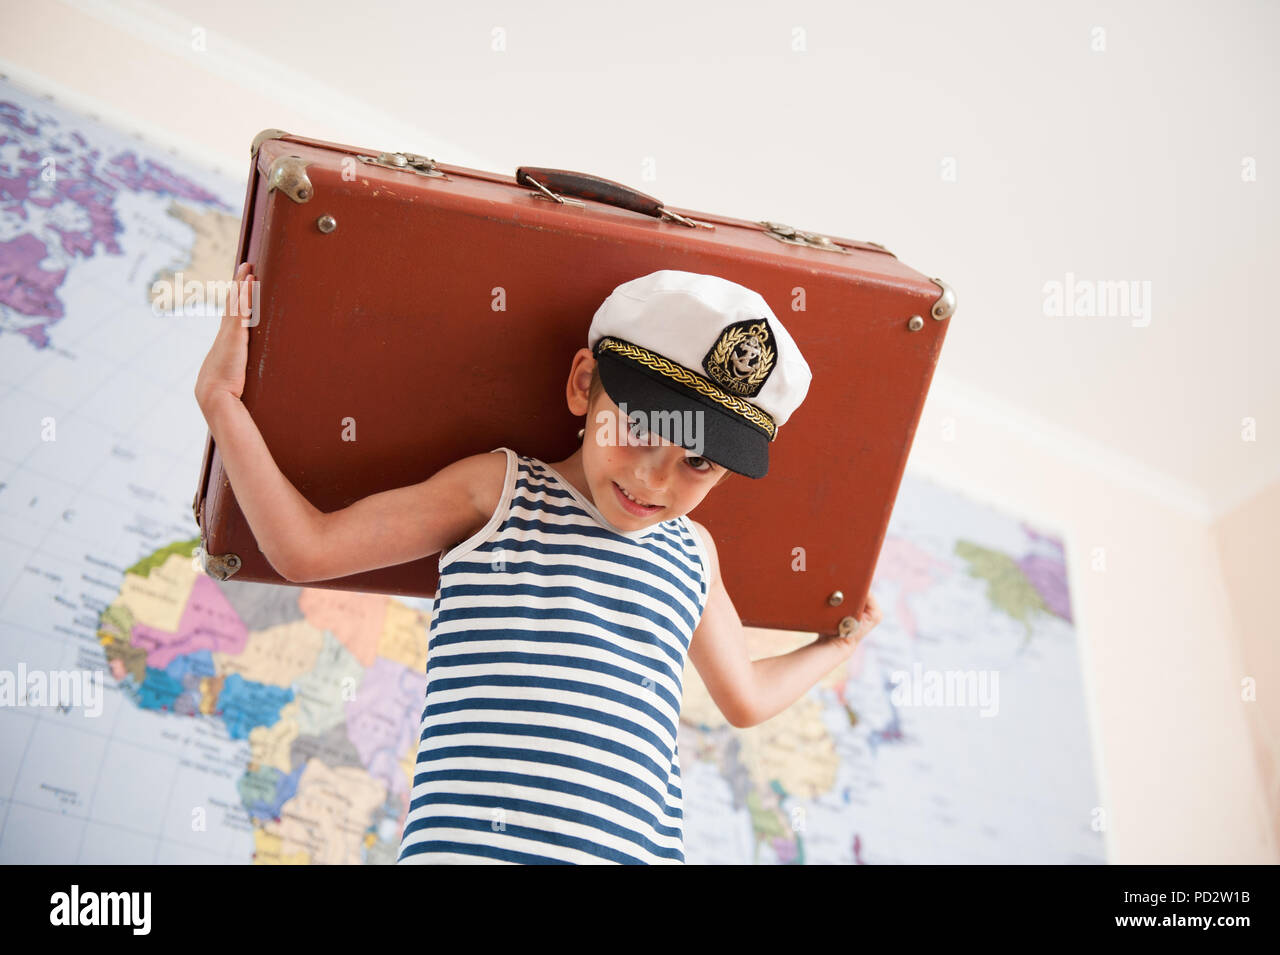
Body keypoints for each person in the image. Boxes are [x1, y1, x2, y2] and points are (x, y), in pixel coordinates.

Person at [195, 264, 883, 864]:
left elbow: (746, 697)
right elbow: (306, 547)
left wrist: (840, 643)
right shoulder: (500, 492)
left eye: (699, 461)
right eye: (640, 428)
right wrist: (221, 404)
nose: (655, 478)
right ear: (585, 384)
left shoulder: (692, 553)